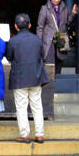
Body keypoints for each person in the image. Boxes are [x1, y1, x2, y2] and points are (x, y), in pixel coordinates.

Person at [5, 12, 47, 142]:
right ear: (30, 25)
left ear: (16, 27)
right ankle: (39, 134)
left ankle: (25, 135)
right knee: (37, 106)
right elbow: (42, 56)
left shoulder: (13, 41)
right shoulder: (37, 40)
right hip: (35, 76)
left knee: (22, 107)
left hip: (20, 78)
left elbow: (9, 57)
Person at [38, 0, 79, 70]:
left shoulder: (64, 7)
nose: (56, 0)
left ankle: (57, 81)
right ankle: (50, 83)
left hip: (61, 37)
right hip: (49, 40)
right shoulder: (45, 9)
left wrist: (73, 14)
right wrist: (39, 42)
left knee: (59, 62)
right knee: (49, 64)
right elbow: (40, 27)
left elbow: (67, 22)